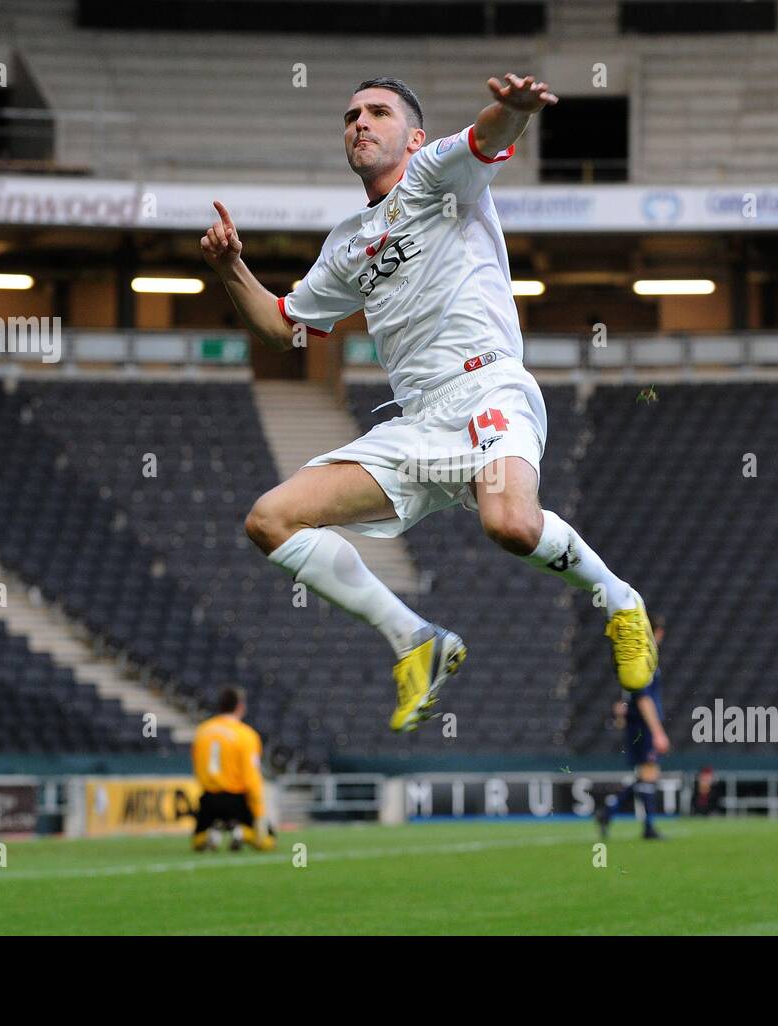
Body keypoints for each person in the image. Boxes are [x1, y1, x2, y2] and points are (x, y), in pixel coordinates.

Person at [200, 74, 658, 734]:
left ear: (414, 137)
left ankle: (619, 600)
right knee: (271, 520)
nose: (360, 122)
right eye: (351, 114)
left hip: (488, 390)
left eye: (378, 112)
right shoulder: (347, 245)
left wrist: (514, 110)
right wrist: (230, 267)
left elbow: (487, 135)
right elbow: (278, 327)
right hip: (416, 426)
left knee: (510, 526)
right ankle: (415, 639)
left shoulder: (438, 175)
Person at [595, 617, 669, 840]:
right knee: (648, 772)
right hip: (642, 725)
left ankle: (609, 813)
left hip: (637, 723)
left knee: (648, 774)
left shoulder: (638, 658)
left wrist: (624, 708)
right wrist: (657, 732)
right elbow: (644, 700)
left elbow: (629, 695)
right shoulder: (644, 660)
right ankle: (645, 826)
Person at [190, 687, 274, 853]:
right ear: (240, 706)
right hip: (236, 799)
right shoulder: (246, 735)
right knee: (268, 841)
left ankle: (212, 833)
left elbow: (197, 766)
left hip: (209, 798)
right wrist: (259, 813)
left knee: (197, 841)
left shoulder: (202, 732)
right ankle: (240, 832)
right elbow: (252, 778)